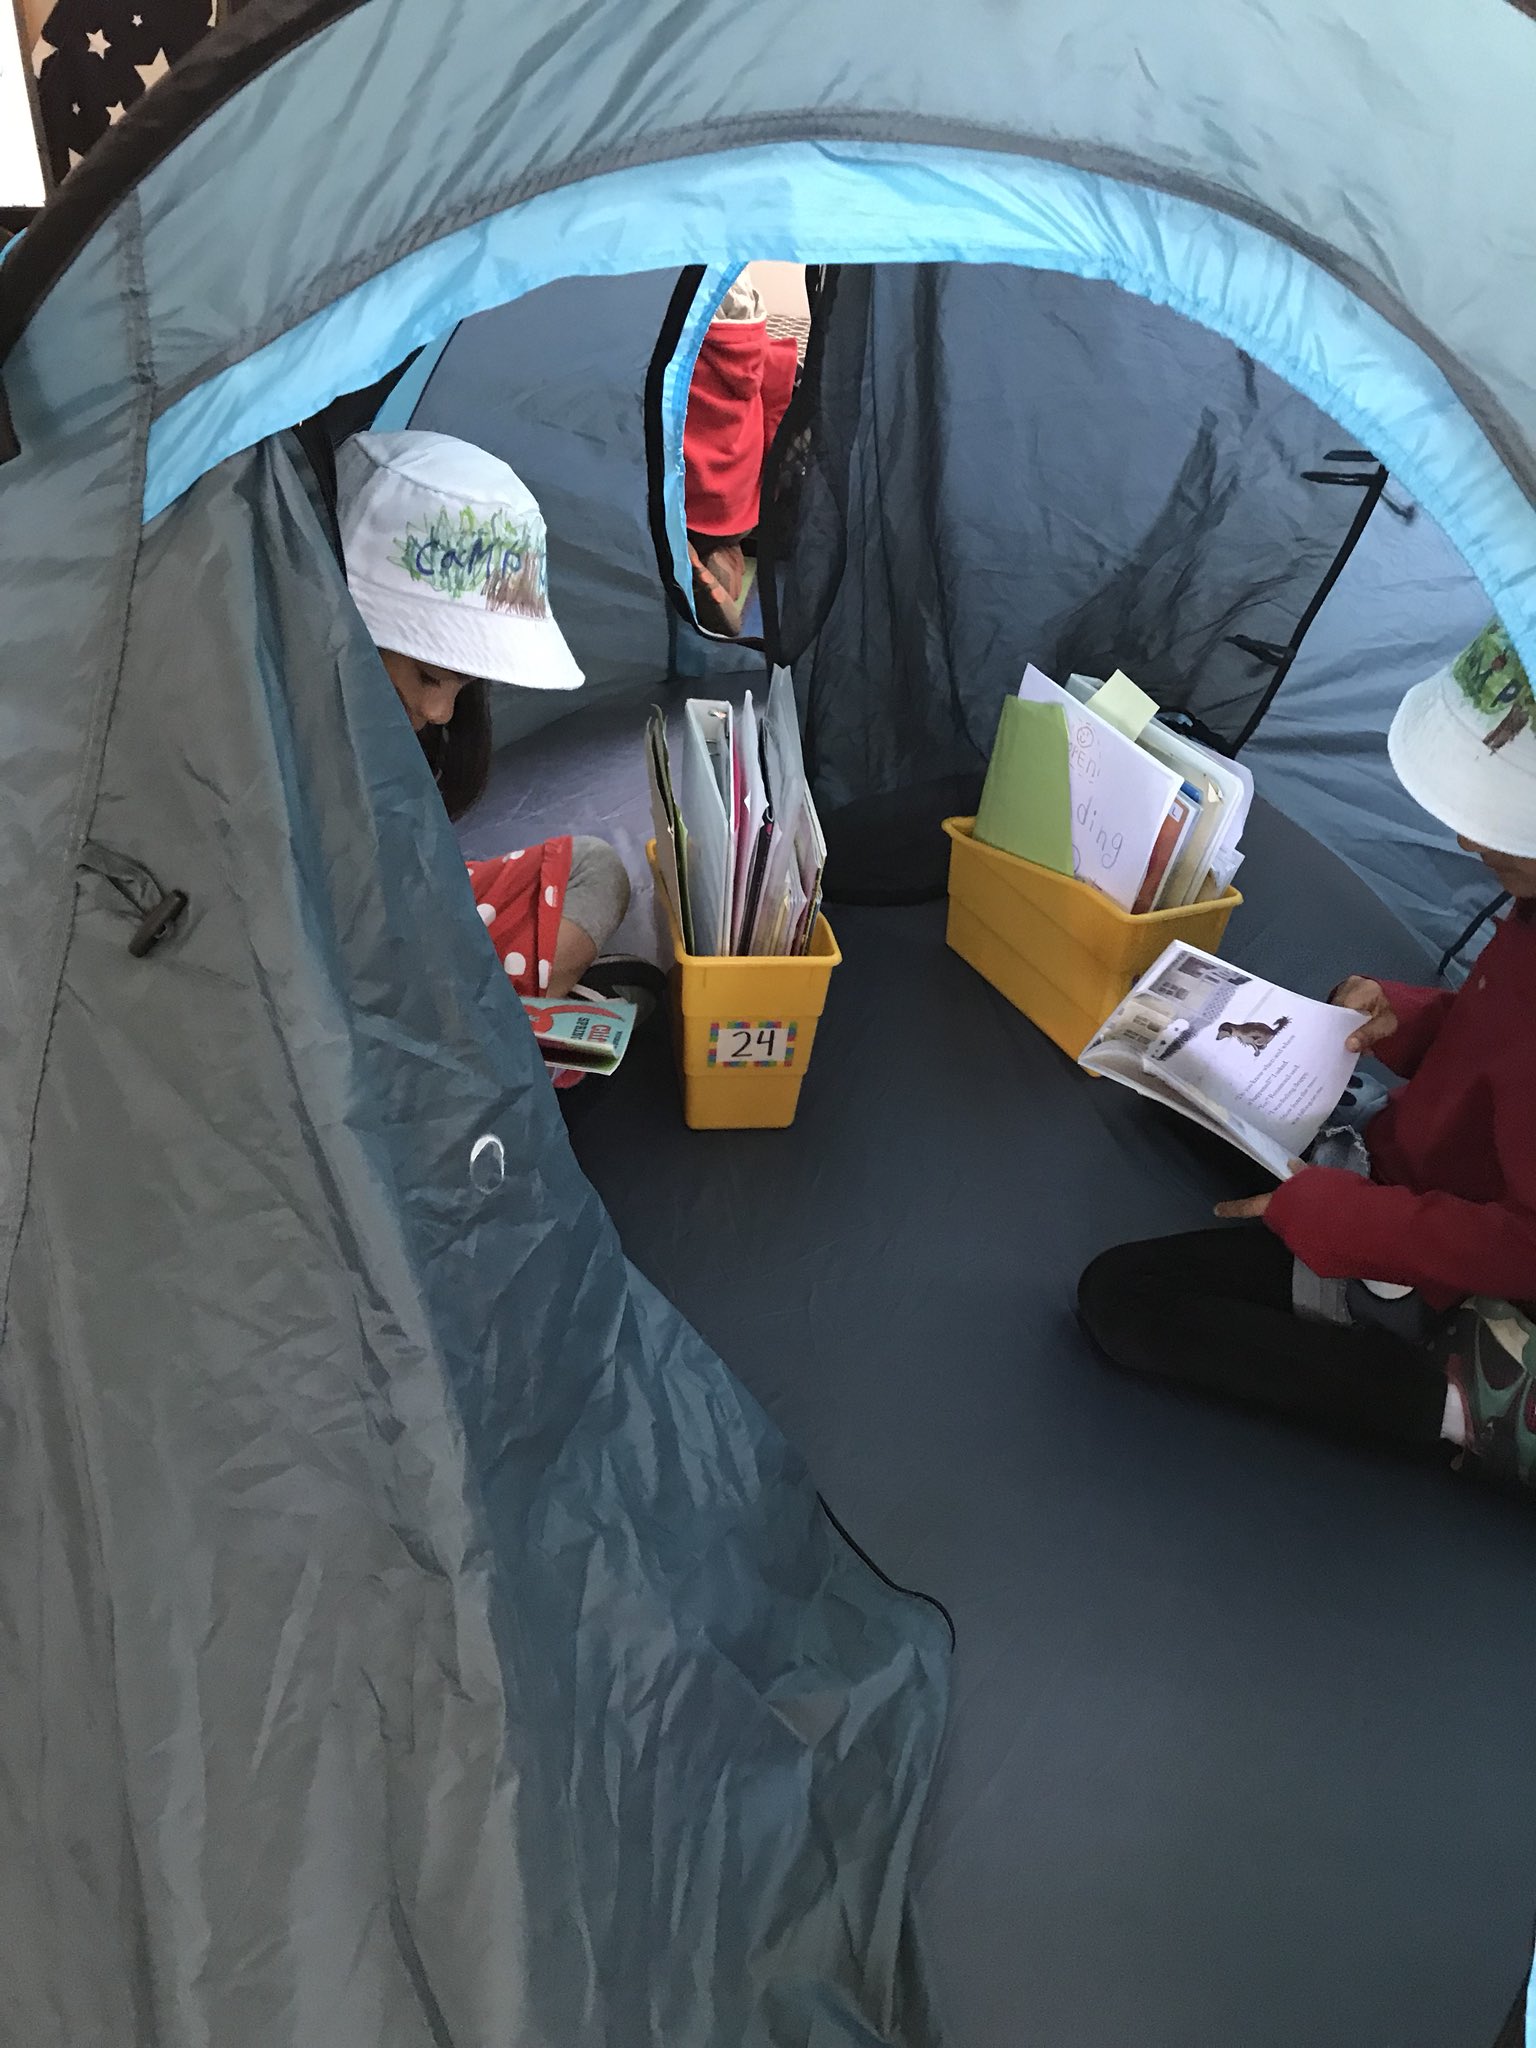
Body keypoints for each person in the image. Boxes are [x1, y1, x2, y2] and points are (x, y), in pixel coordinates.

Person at [1077, 620, 1536, 1480]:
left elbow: (1522, 1245)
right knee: (1173, 1068)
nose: (1472, 844)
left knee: (1123, 1301)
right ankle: (1335, 1183)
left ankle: (1454, 1406)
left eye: (1498, 825)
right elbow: (1503, 1035)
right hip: (1397, 1163)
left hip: (1446, 1259)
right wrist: (1414, 1015)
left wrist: (1342, 1223)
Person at [337, 430, 633, 1012]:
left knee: (594, 868)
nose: (440, 712)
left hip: (405, 921)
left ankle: (493, 1015)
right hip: (332, 969)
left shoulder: (404, 732)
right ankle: (492, 1019)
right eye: (426, 675)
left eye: (463, 685)